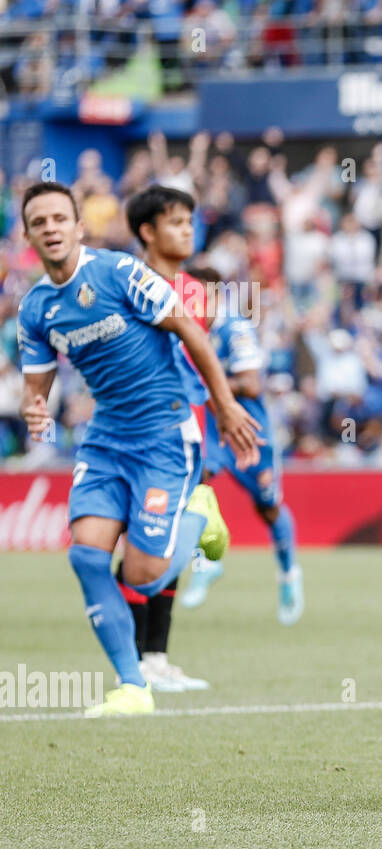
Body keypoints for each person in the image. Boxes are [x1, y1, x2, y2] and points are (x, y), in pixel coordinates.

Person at [17, 181, 260, 717]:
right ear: (29, 235)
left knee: (145, 574)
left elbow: (190, 332)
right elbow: (37, 389)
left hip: (164, 433)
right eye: (40, 222)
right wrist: (36, 410)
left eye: (61, 218)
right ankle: (133, 687)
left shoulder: (119, 272)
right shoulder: (35, 310)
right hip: (105, 440)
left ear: (79, 226)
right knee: (85, 556)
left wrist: (222, 406)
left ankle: (200, 515)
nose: (52, 228)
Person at [116, 185, 214, 691]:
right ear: (147, 231)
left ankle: (155, 657)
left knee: (169, 544)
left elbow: (201, 367)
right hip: (136, 434)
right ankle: (131, 661)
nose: (187, 230)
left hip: (187, 435)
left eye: (190, 221)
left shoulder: (197, 292)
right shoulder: (124, 283)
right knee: (139, 546)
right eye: (176, 221)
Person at [179, 265, 304, 624]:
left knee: (268, 507)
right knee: (195, 484)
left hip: (249, 430)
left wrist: (203, 381)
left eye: (198, 296)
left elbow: (251, 384)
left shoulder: (236, 328)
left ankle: (288, 574)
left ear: (216, 295)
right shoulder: (185, 329)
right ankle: (206, 563)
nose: (191, 303)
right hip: (212, 429)